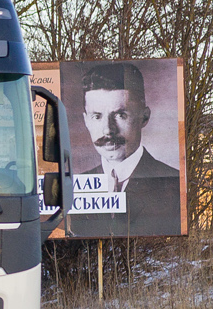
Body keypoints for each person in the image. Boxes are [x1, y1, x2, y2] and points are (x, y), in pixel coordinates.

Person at [73, 62, 181, 236]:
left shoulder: (174, 186)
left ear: (144, 117)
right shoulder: (74, 187)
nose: (108, 130)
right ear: (86, 120)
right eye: (97, 116)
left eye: (120, 115)